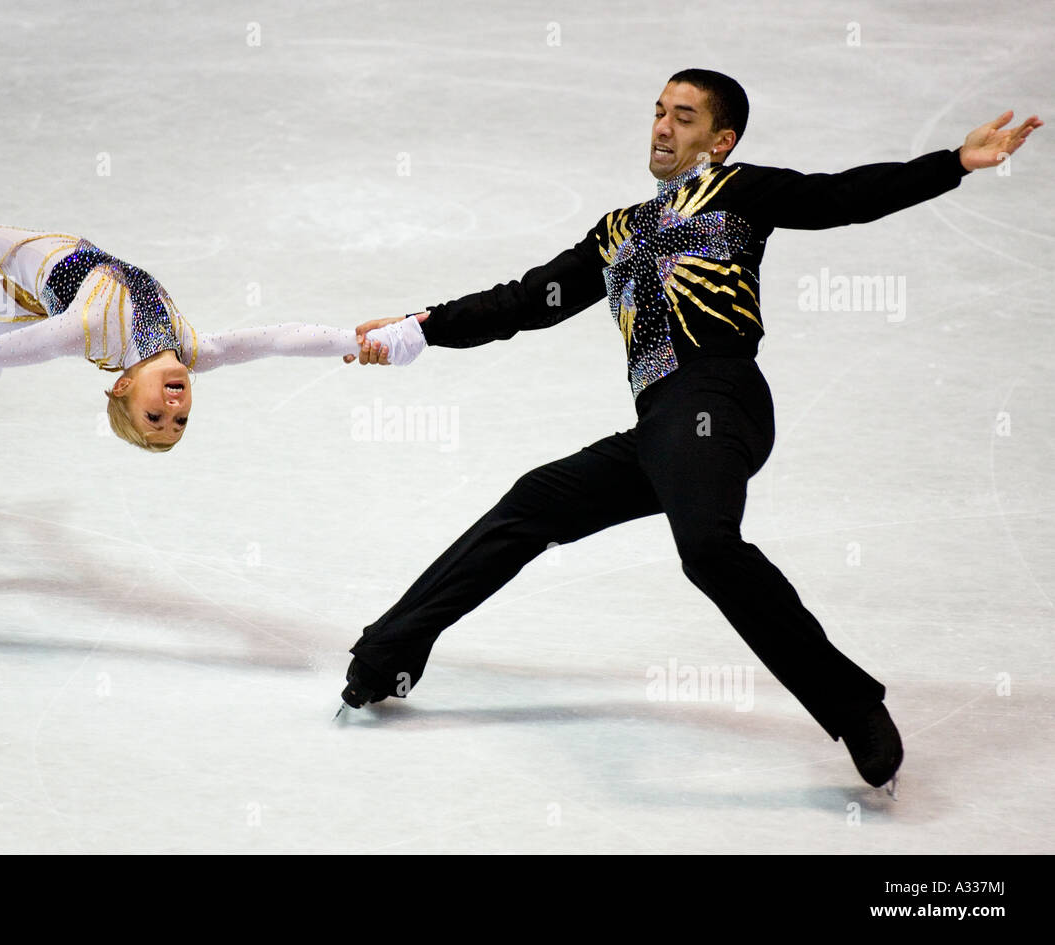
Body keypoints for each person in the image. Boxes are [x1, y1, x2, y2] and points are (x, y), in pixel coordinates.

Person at [338, 69, 1042, 792]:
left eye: (684, 116)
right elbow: (526, 302)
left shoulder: (738, 191)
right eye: (658, 112)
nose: (662, 127)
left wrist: (953, 162)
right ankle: (388, 650)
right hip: (661, 428)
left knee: (707, 547)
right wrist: (420, 326)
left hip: (721, 396)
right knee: (536, 501)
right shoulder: (615, 232)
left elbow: (842, 198)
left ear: (720, 140)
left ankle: (853, 706)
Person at [0, 121, 425, 596]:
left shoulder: (88, 329)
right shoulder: (193, 350)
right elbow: (280, 338)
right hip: (12, 302)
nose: (173, 408)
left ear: (119, 388)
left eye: (154, 418)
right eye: (179, 419)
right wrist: (359, 338)